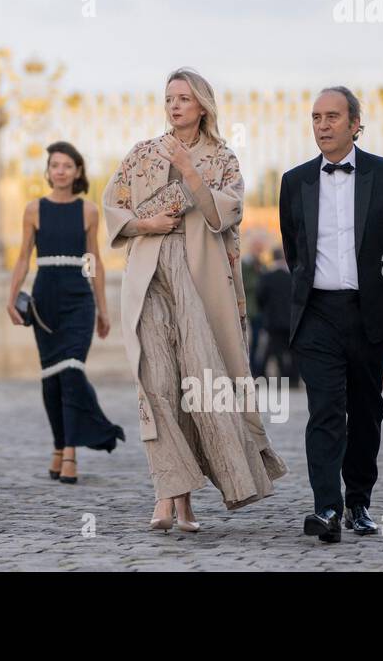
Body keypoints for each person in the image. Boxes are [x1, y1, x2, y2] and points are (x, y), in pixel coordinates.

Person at [103, 68, 287, 532]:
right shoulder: (142, 153)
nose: (175, 105)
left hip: (200, 283)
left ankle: (190, 501)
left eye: (184, 98)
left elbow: (228, 214)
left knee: (201, 385)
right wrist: (145, 226)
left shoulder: (222, 158)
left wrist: (188, 171)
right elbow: (113, 206)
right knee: (157, 382)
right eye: (169, 98)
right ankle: (168, 495)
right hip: (148, 278)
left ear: (202, 104)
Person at [278, 86, 383, 543]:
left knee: (365, 410)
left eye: (332, 116)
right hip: (317, 313)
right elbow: (293, 250)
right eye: (316, 117)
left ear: (356, 122)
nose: (322, 125)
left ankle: (359, 501)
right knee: (324, 409)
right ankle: (326, 509)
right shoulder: (294, 181)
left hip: (370, 314)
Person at [6, 141, 124, 484]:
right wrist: (10, 298)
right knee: (52, 378)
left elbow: (95, 261)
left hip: (78, 299)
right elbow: (22, 257)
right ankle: (58, 446)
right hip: (45, 300)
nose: (60, 171)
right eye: (55, 165)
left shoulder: (88, 211)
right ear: (48, 171)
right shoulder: (33, 210)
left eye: (67, 165)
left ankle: (71, 450)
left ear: (78, 172)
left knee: (72, 371)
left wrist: (103, 308)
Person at [254, 248, 296, 386]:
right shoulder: (292, 276)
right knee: (292, 350)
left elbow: (260, 297)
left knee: (273, 348)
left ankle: (262, 375)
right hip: (291, 320)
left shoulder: (267, 277)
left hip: (273, 320)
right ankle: (291, 378)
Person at [242, 244, 266, 376]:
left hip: (259, 311)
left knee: (257, 342)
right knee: (249, 341)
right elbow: (247, 285)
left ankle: (255, 370)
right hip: (250, 310)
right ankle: (249, 369)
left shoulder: (261, 266)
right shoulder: (246, 267)